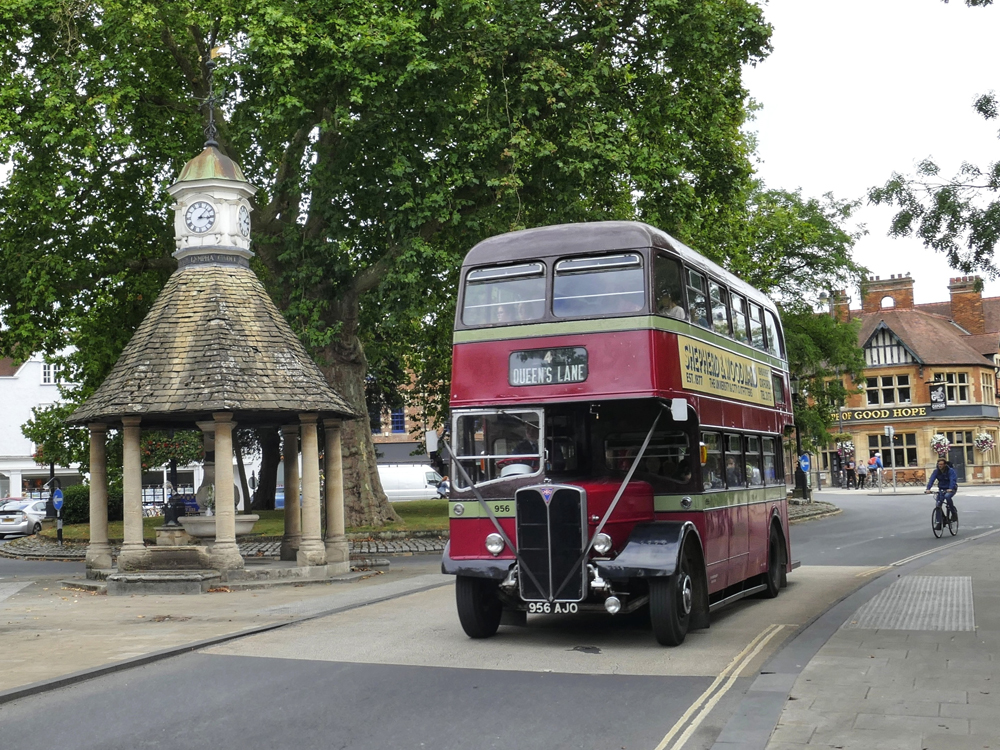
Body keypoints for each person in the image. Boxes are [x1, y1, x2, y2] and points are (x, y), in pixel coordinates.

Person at [925, 458, 958, 529]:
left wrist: (951, 488)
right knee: (938, 504)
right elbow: (932, 479)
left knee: (947, 496)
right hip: (942, 488)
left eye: (941, 464)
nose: (940, 466)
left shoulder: (950, 471)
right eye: (939, 464)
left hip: (951, 488)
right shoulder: (936, 471)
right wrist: (928, 489)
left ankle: (953, 513)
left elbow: (953, 480)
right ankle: (939, 522)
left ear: (945, 464)